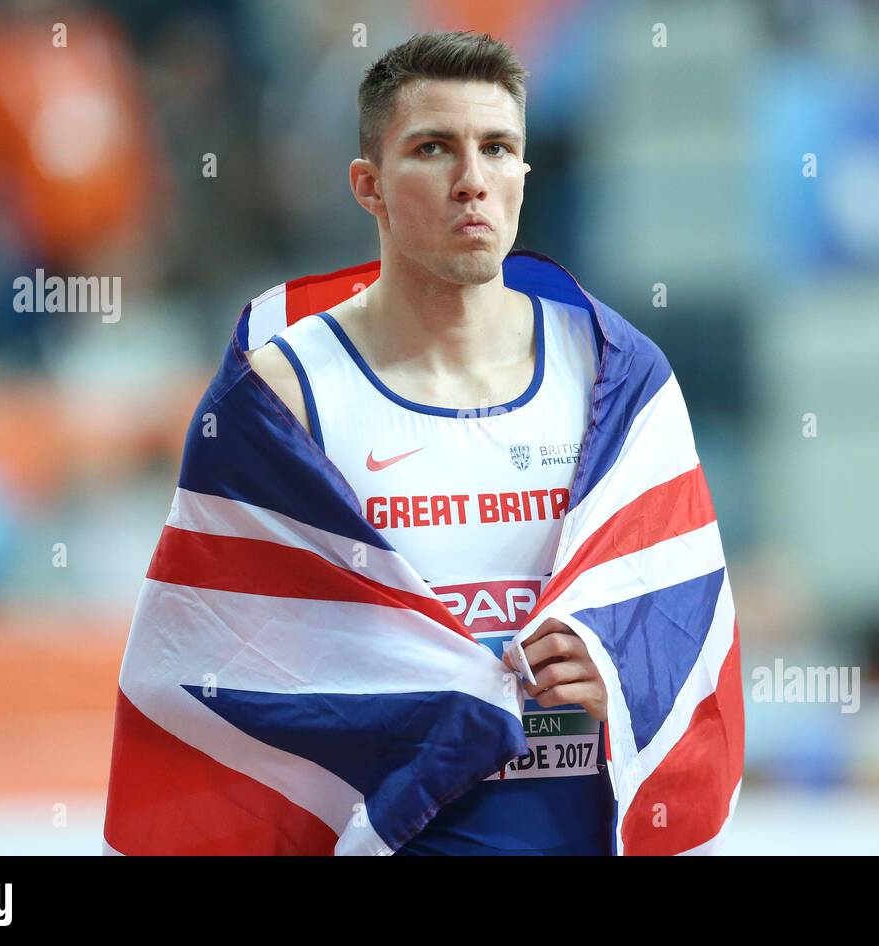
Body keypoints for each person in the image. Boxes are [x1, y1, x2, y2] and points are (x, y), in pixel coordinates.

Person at [245, 32, 615, 855]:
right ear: (368, 187)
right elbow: (226, 655)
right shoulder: (286, 390)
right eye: (434, 148)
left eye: (498, 148)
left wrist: (621, 674)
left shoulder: (612, 371)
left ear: (524, 170)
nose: (473, 180)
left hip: (573, 831)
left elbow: (678, 613)